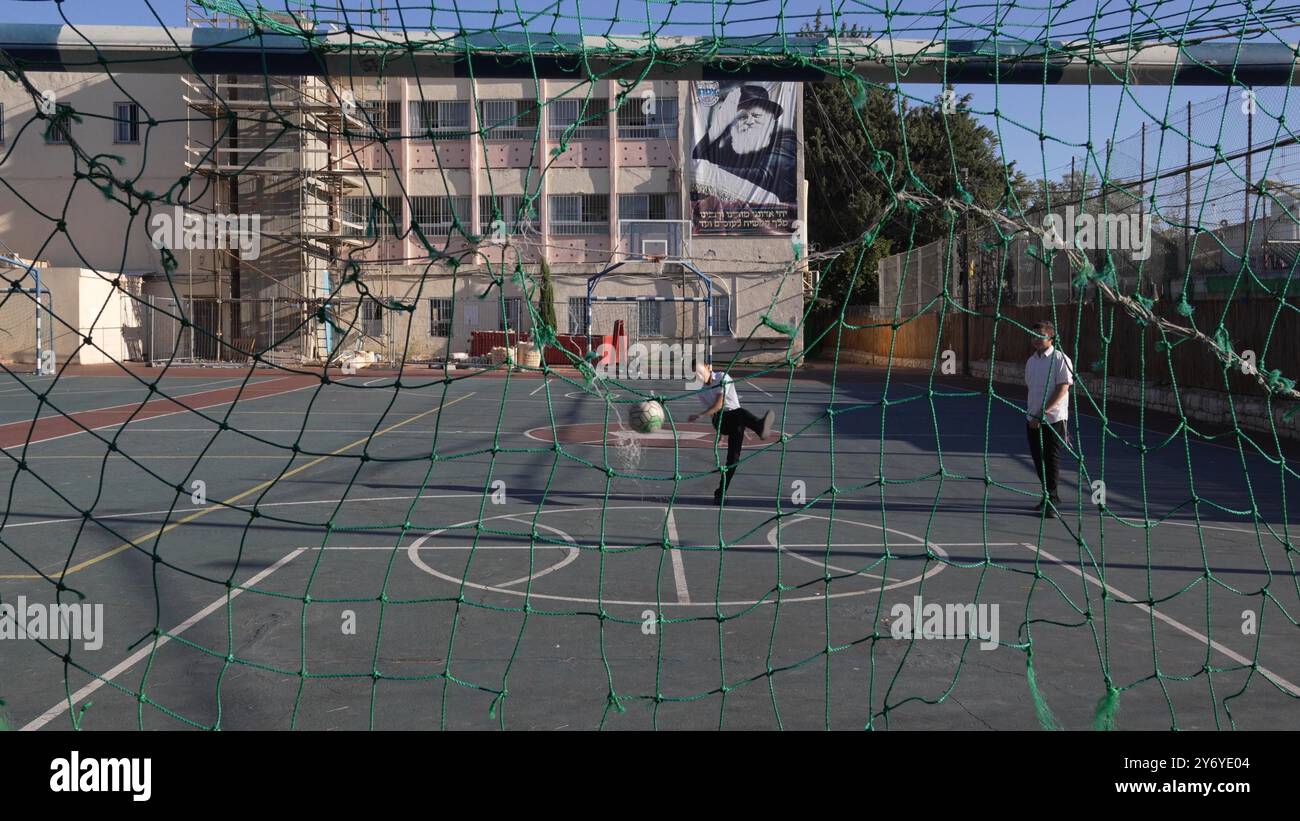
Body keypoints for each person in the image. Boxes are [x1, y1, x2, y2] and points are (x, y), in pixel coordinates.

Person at [691, 84, 799, 205]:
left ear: (771, 119)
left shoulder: (785, 138)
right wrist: (717, 127)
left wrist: (711, 171)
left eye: (756, 116)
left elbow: (766, 176)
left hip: (776, 216)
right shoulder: (730, 143)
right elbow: (695, 163)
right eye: (742, 117)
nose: (749, 121)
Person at [688, 362, 775, 504]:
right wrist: (718, 430)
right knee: (740, 414)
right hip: (722, 420)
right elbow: (715, 411)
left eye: (699, 371)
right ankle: (759, 427)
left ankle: (720, 492)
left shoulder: (723, 377)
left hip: (736, 421)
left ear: (708, 367)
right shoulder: (701, 390)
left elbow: (719, 403)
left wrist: (700, 415)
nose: (698, 375)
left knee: (733, 460)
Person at [1025, 320, 1075, 518]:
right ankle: (1046, 494)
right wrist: (1032, 414)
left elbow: (1063, 388)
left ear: (1051, 337)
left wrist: (1042, 413)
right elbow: (1030, 388)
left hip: (1053, 419)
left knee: (1050, 459)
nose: (1037, 339)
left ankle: (1053, 499)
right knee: (1038, 459)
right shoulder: (1031, 361)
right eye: (1034, 335)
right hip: (1032, 418)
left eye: (1041, 336)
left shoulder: (1060, 359)